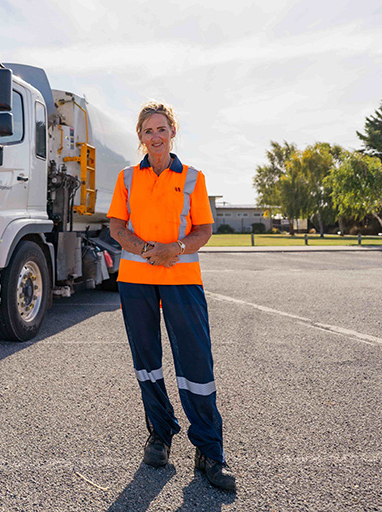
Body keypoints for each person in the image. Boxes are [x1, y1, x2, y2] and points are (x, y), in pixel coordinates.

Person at [107, 101, 236, 491]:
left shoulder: (193, 177)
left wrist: (174, 249)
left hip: (183, 279)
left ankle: (210, 451)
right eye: (148, 131)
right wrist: (148, 248)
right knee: (146, 362)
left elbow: (204, 230)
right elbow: (116, 225)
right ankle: (160, 435)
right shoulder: (127, 178)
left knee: (196, 364)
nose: (155, 136)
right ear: (141, 138)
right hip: (136, 279)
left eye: (161, 129)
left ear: (172, 132)